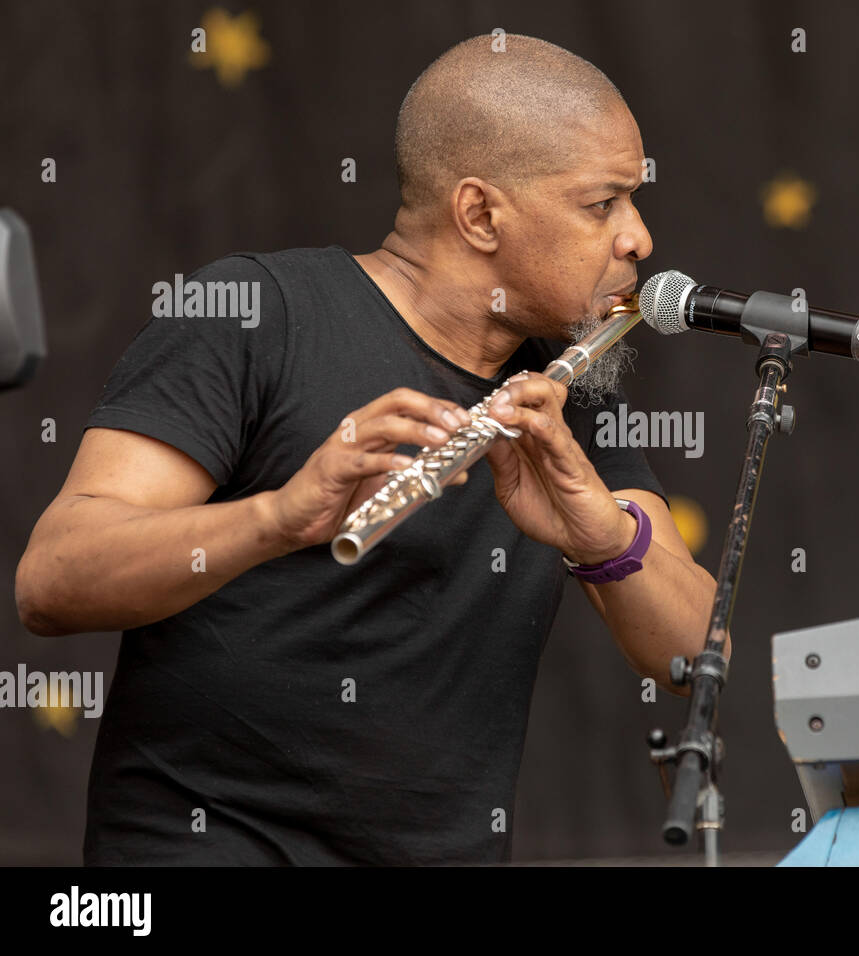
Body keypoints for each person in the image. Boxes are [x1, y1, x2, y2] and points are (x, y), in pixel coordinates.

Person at [15, 33, 725, 864]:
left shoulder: (567, 389)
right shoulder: (253, 314)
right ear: (479, 214)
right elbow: (52, 582)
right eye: (602, 204)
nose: (638, 238)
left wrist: (605, 538)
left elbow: (694, 656)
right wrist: (278, 519)